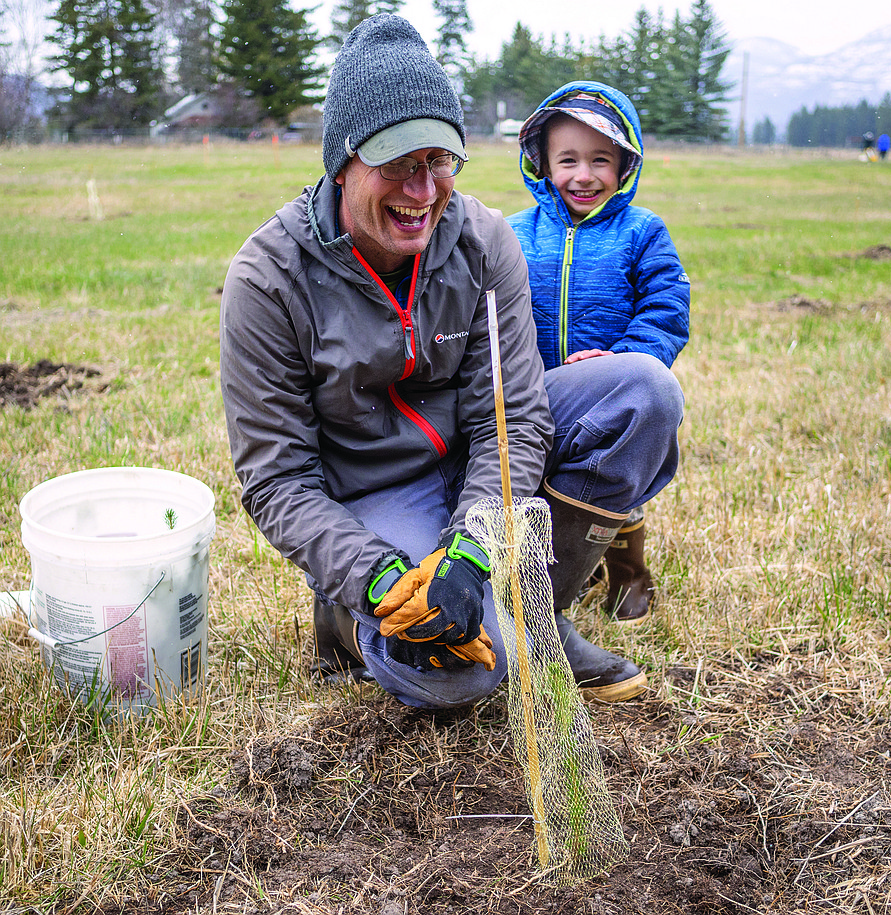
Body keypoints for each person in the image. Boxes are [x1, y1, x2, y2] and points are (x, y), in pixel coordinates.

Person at [218, 15, 684, 708]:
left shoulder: (484, 240)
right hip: (378, 492)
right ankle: (347, 616)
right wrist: (376, 578)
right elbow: (278, 479)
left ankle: (538, 615)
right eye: (398, 163)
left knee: (646, 394)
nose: (423, 190)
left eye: (439, 160)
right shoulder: (267, 279)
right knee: (462, 672)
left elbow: (514, 417)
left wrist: (473, 548)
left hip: (476, 461)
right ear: (341, 163)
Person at [507, 81, 689, 624]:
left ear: (625, 164)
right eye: (568, 160)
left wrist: (625, 358)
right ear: (541, 163)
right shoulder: (513, 233)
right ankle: (566, 568)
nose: (583, 175)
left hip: (608, 386)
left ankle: (629, 573)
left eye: (600, 160)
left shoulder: (642, 231)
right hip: (536, 389)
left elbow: (666, 307)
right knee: (539, 480)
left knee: (614, 474)